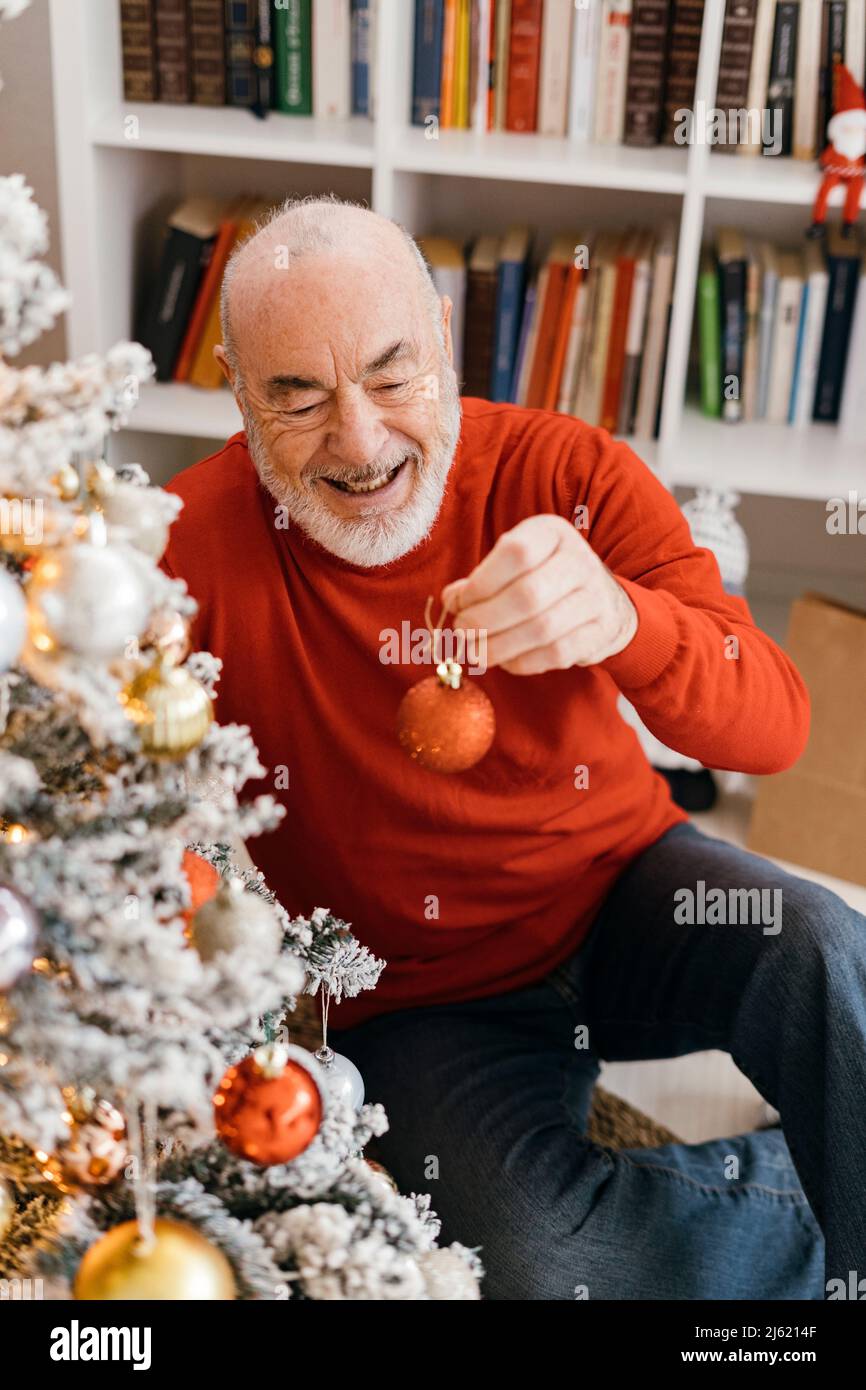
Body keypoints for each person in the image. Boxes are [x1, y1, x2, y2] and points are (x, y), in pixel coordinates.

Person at [163, 196, 864, 1300]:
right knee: (537, 1269)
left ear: (441, 341)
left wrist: (627, 621)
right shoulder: (176, 550)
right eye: (297, 395)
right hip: (417, 995)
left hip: (622, 890)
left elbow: (774, 726)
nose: (359, 440)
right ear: (237, 388)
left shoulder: (565, 471)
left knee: (819, 945)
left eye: (393, 375)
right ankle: (799, 1179)